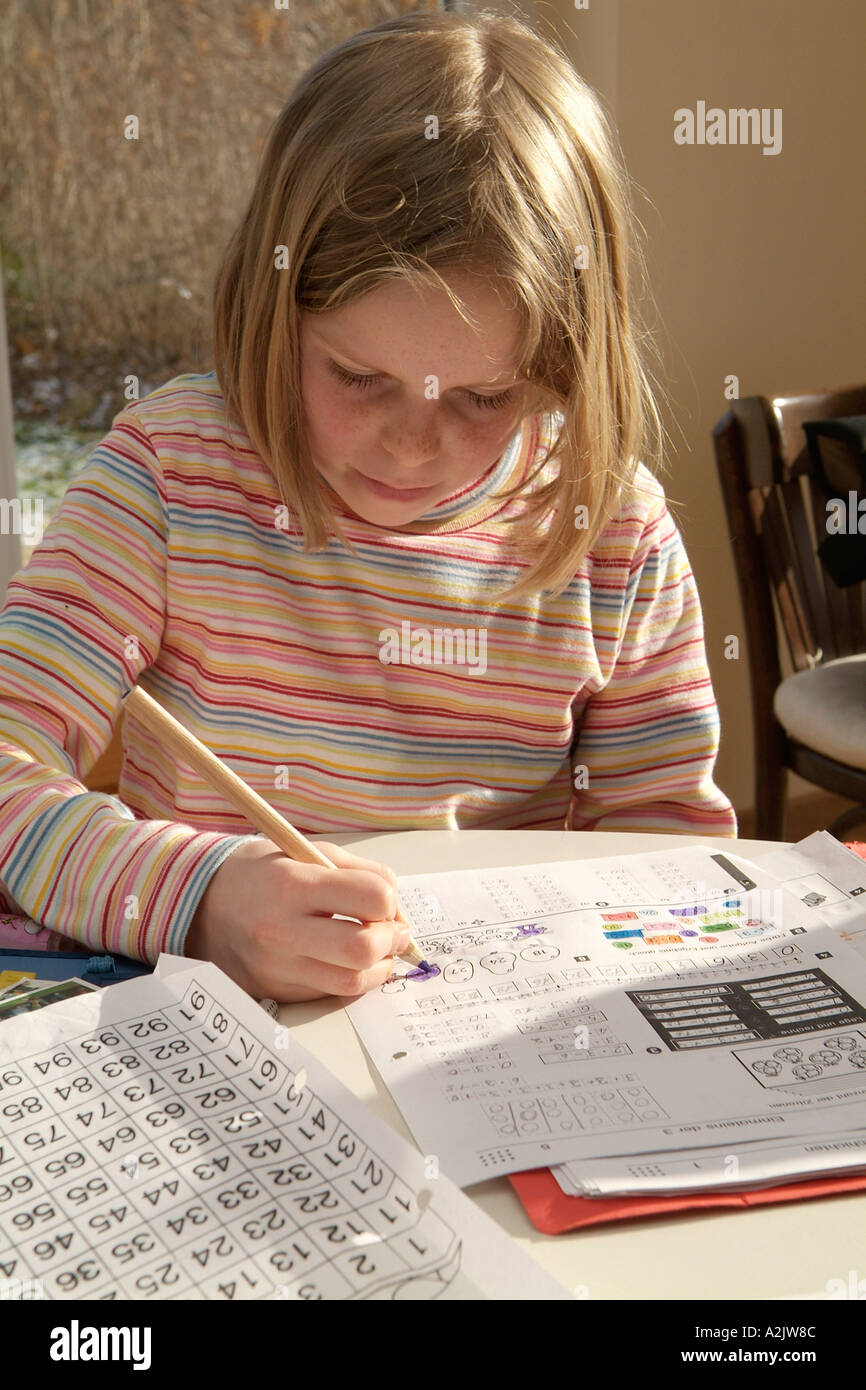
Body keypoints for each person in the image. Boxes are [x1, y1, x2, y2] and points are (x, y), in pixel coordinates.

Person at [0, 9, 736, 1002]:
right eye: (357, 376)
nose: (412, 442)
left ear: (561, 360)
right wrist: (200, 898)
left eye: (483, 397)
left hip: (491, 1055)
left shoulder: (610, 532)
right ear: (273, 309)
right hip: (214, 1045)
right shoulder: (170, 477)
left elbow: (662, 854)